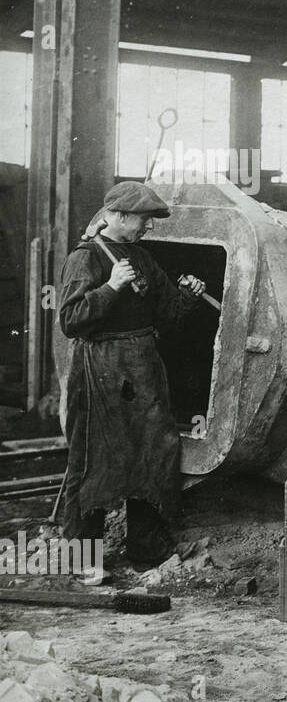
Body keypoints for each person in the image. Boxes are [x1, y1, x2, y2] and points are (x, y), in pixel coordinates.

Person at [55, 181, 207, 577]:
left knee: (153, 452)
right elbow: (70, 321)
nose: (149, 228)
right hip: (101, 368)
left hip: (142, 366)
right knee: (93, 460)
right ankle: (81, 558)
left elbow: (168, 316)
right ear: (118, 216)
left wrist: (187, 296)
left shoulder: (141, 258)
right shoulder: (84, 258)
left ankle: (147, 546)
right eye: (144, 219)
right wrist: (110, 288)